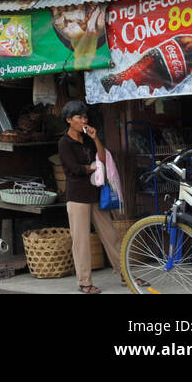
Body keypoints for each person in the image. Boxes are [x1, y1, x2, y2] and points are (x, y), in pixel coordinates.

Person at [58, 101, 123, 292]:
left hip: (95, 195)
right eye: (79, 117)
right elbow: (74, 169)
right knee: (81, 242)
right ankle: (85, 283)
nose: (84, 121)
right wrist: (92, 168)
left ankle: (125, 274)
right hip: (77, 197)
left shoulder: (87, 139)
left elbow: (102, 159)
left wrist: (95, 139)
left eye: (85, 117)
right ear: (69, 120)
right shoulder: (64, 143)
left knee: (111, 235)